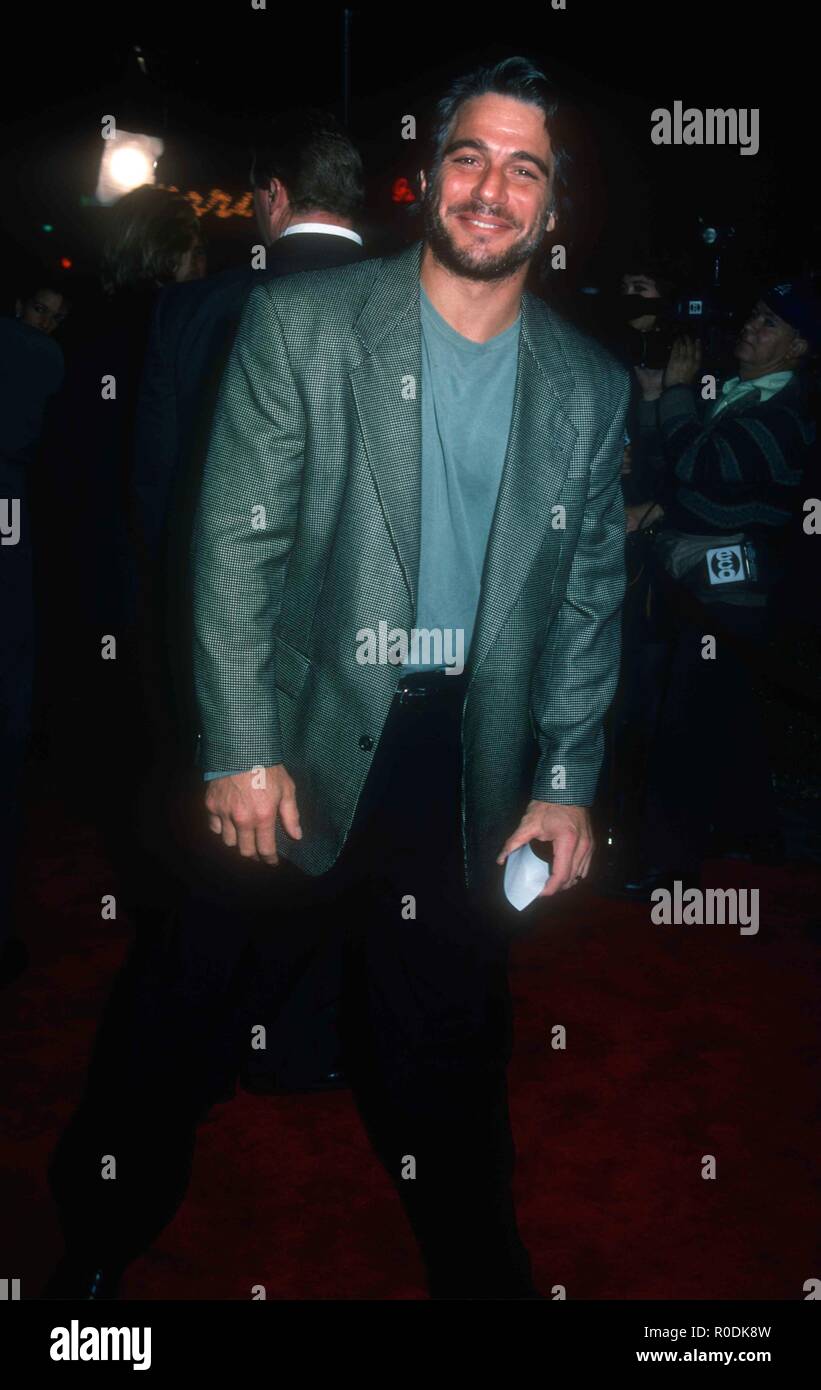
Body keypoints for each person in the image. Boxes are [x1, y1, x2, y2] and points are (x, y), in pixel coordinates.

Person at [46, 56, 630, 1301]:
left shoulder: (588, 387)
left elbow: (588, 599)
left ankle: (485, 1280)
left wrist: (567, 776)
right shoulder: (305, 323)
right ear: (430, 177)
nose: (491, 187)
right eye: (469, 155)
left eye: (524, 167)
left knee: (456, 1044)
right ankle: (91, 1253)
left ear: (553, 208)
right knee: (180, 1010)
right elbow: (232, 545)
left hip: (460, 760)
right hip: (293, 740)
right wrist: (235, 745)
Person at [130, 109, 367, 1097]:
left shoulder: (201, 310)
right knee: (338, 857)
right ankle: (314, 1040)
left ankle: (215, 1053)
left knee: (217, 878)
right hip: (366, 653)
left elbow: (155, 503)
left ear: (271, 198)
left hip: (228, 652)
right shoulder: (421, 310)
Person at [619, 279, 818, 892]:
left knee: (685, 723)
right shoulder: (732, 395)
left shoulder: (789, 413)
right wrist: (656, 400)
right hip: (684, 585)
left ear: (798, 348)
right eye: (753, 315)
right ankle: (750, 837)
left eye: (769, 325)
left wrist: (676, 394)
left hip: (730, 599)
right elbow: (671, 471)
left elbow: (702, 466)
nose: (751, 329)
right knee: (692, 715)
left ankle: (665, 867)